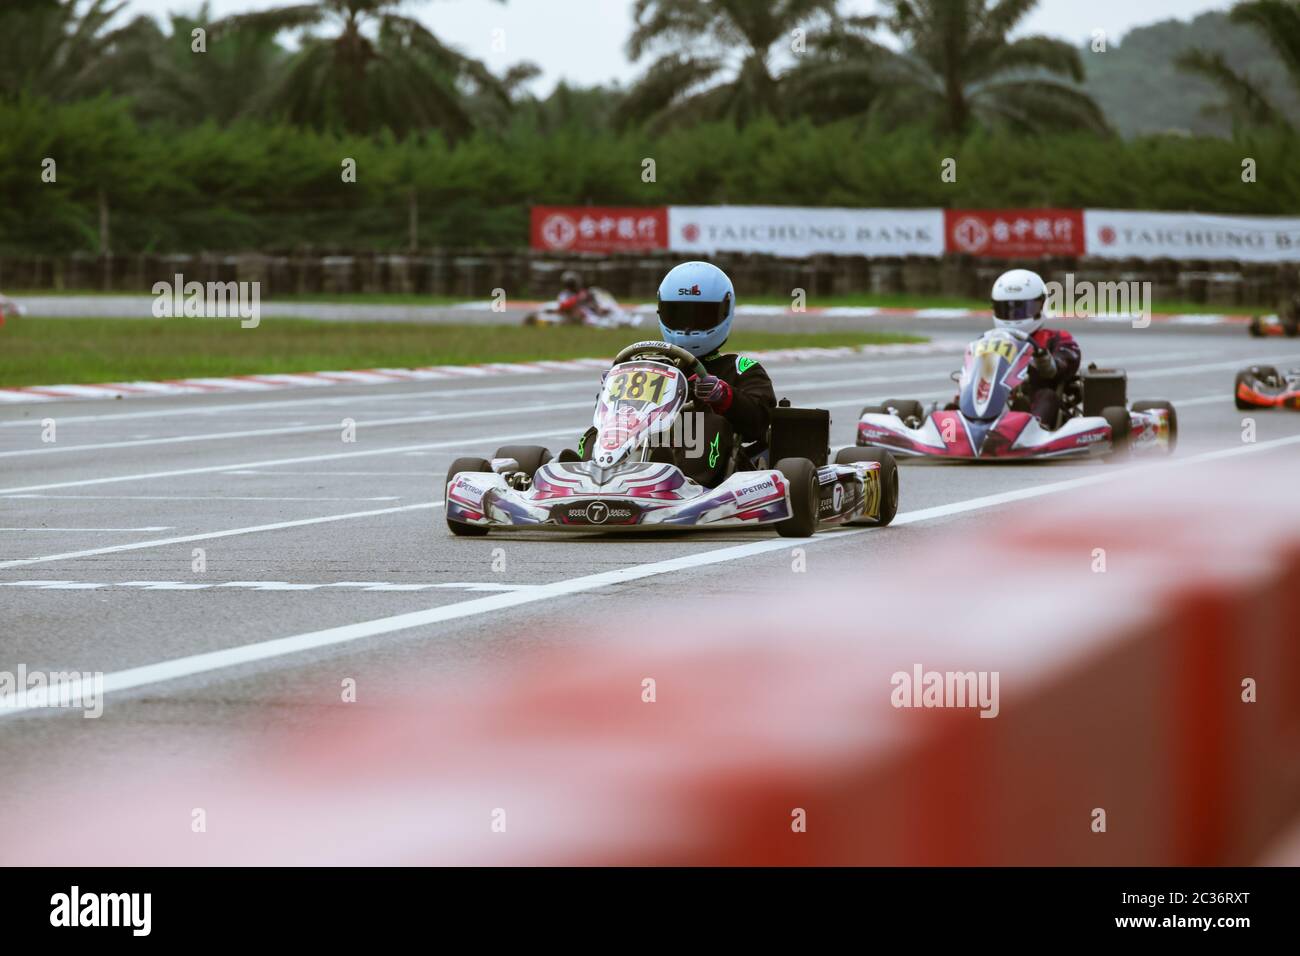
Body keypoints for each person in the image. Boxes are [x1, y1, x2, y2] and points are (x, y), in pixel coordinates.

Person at [571, 261, 776, 483]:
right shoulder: (645, 364)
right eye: (679, 315)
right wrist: (613, 390)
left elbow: (759, 424)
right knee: (603, 429)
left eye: (701, 316)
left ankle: (676, 477)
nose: (688, 326)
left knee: (707, 425)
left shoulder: (739, 368)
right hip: (640, 445)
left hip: (706, 473)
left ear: (724, 311)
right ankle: (587, 474)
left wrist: (725, 397)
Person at [991, 268, 1081, 428]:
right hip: (997, 400)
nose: (1014, 315)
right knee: (964, 398)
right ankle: (957, 429)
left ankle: (1032, 428)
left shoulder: (1057, 338)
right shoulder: (990, 341)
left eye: (1022, 309)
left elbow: (1066, 362)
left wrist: (1045, 361)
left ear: (1041, 306)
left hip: (1038, 400)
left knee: (1047, 395)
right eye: (1007, 309)